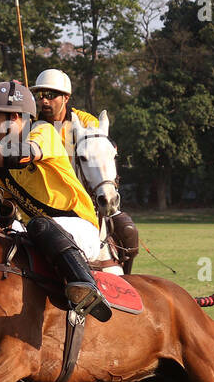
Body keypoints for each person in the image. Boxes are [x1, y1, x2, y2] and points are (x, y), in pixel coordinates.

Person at [0, 80, 111, 321]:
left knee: (40, 224)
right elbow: (8, 208)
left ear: (16, 116)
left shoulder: (42, 132)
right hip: (39, 233)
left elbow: (18, 155)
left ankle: (86, 287)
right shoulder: (2, 167)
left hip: (79, 228)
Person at [31, 68, 139, 270]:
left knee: (128, 229)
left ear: (65, 97)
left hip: (87, 195)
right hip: (48, 199)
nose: (44, 101)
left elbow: (104, 146)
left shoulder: (85, 121)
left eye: (50, 95)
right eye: (41, 95)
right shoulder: (32, 126)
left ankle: (127, 276)